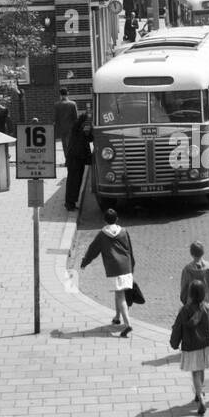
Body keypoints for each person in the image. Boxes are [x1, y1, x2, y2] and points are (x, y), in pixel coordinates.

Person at [171, 279, 209, 416]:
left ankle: (200, 395)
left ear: (190, 294)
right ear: (203, 294)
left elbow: (178, 328)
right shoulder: (208, 308)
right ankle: (199, 391)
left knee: (195, 371)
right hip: (204, 345)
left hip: (190, 345)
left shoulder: (184, 310)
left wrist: (174, 342)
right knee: (201, 369)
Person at [80, 208, 135, 337]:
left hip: (113, 268)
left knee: (120, 295)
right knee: (119, 292)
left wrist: (84, 262)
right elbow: (130, 250)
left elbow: (93, 250)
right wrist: (132, 266)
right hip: (126, 265)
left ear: (104, 220)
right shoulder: (124, 232)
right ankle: (117, 317)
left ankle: (128, 324)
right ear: (117, 219)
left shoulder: (102, 234)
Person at [63, 112, 92, 211]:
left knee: (75, 182)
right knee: (73, 182)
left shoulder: (78, 128)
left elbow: (88, 138)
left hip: (76, 160)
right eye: (87, 122)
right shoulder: (79, 130)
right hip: (75, 160)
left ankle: (71, 202)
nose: (88, 124)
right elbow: (87, 139)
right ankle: (69, 203)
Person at [180, 241, 209, 307]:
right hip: (208, 302)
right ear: (202, 252)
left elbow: (184, 287)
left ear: (191, 253)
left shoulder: (187, 269)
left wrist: (185, 301)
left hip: (191, 303)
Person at [53, 87, 79, 153]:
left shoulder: (56, 105)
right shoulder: (73, 104)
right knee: (71, 144)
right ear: (68, 94)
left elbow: (56, 118)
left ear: (60, 95)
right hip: (71, 128)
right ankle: (71, 160)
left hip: (62, 128)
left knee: (64, 145)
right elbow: (76, 117)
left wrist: (57, 127)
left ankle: (67, 159)